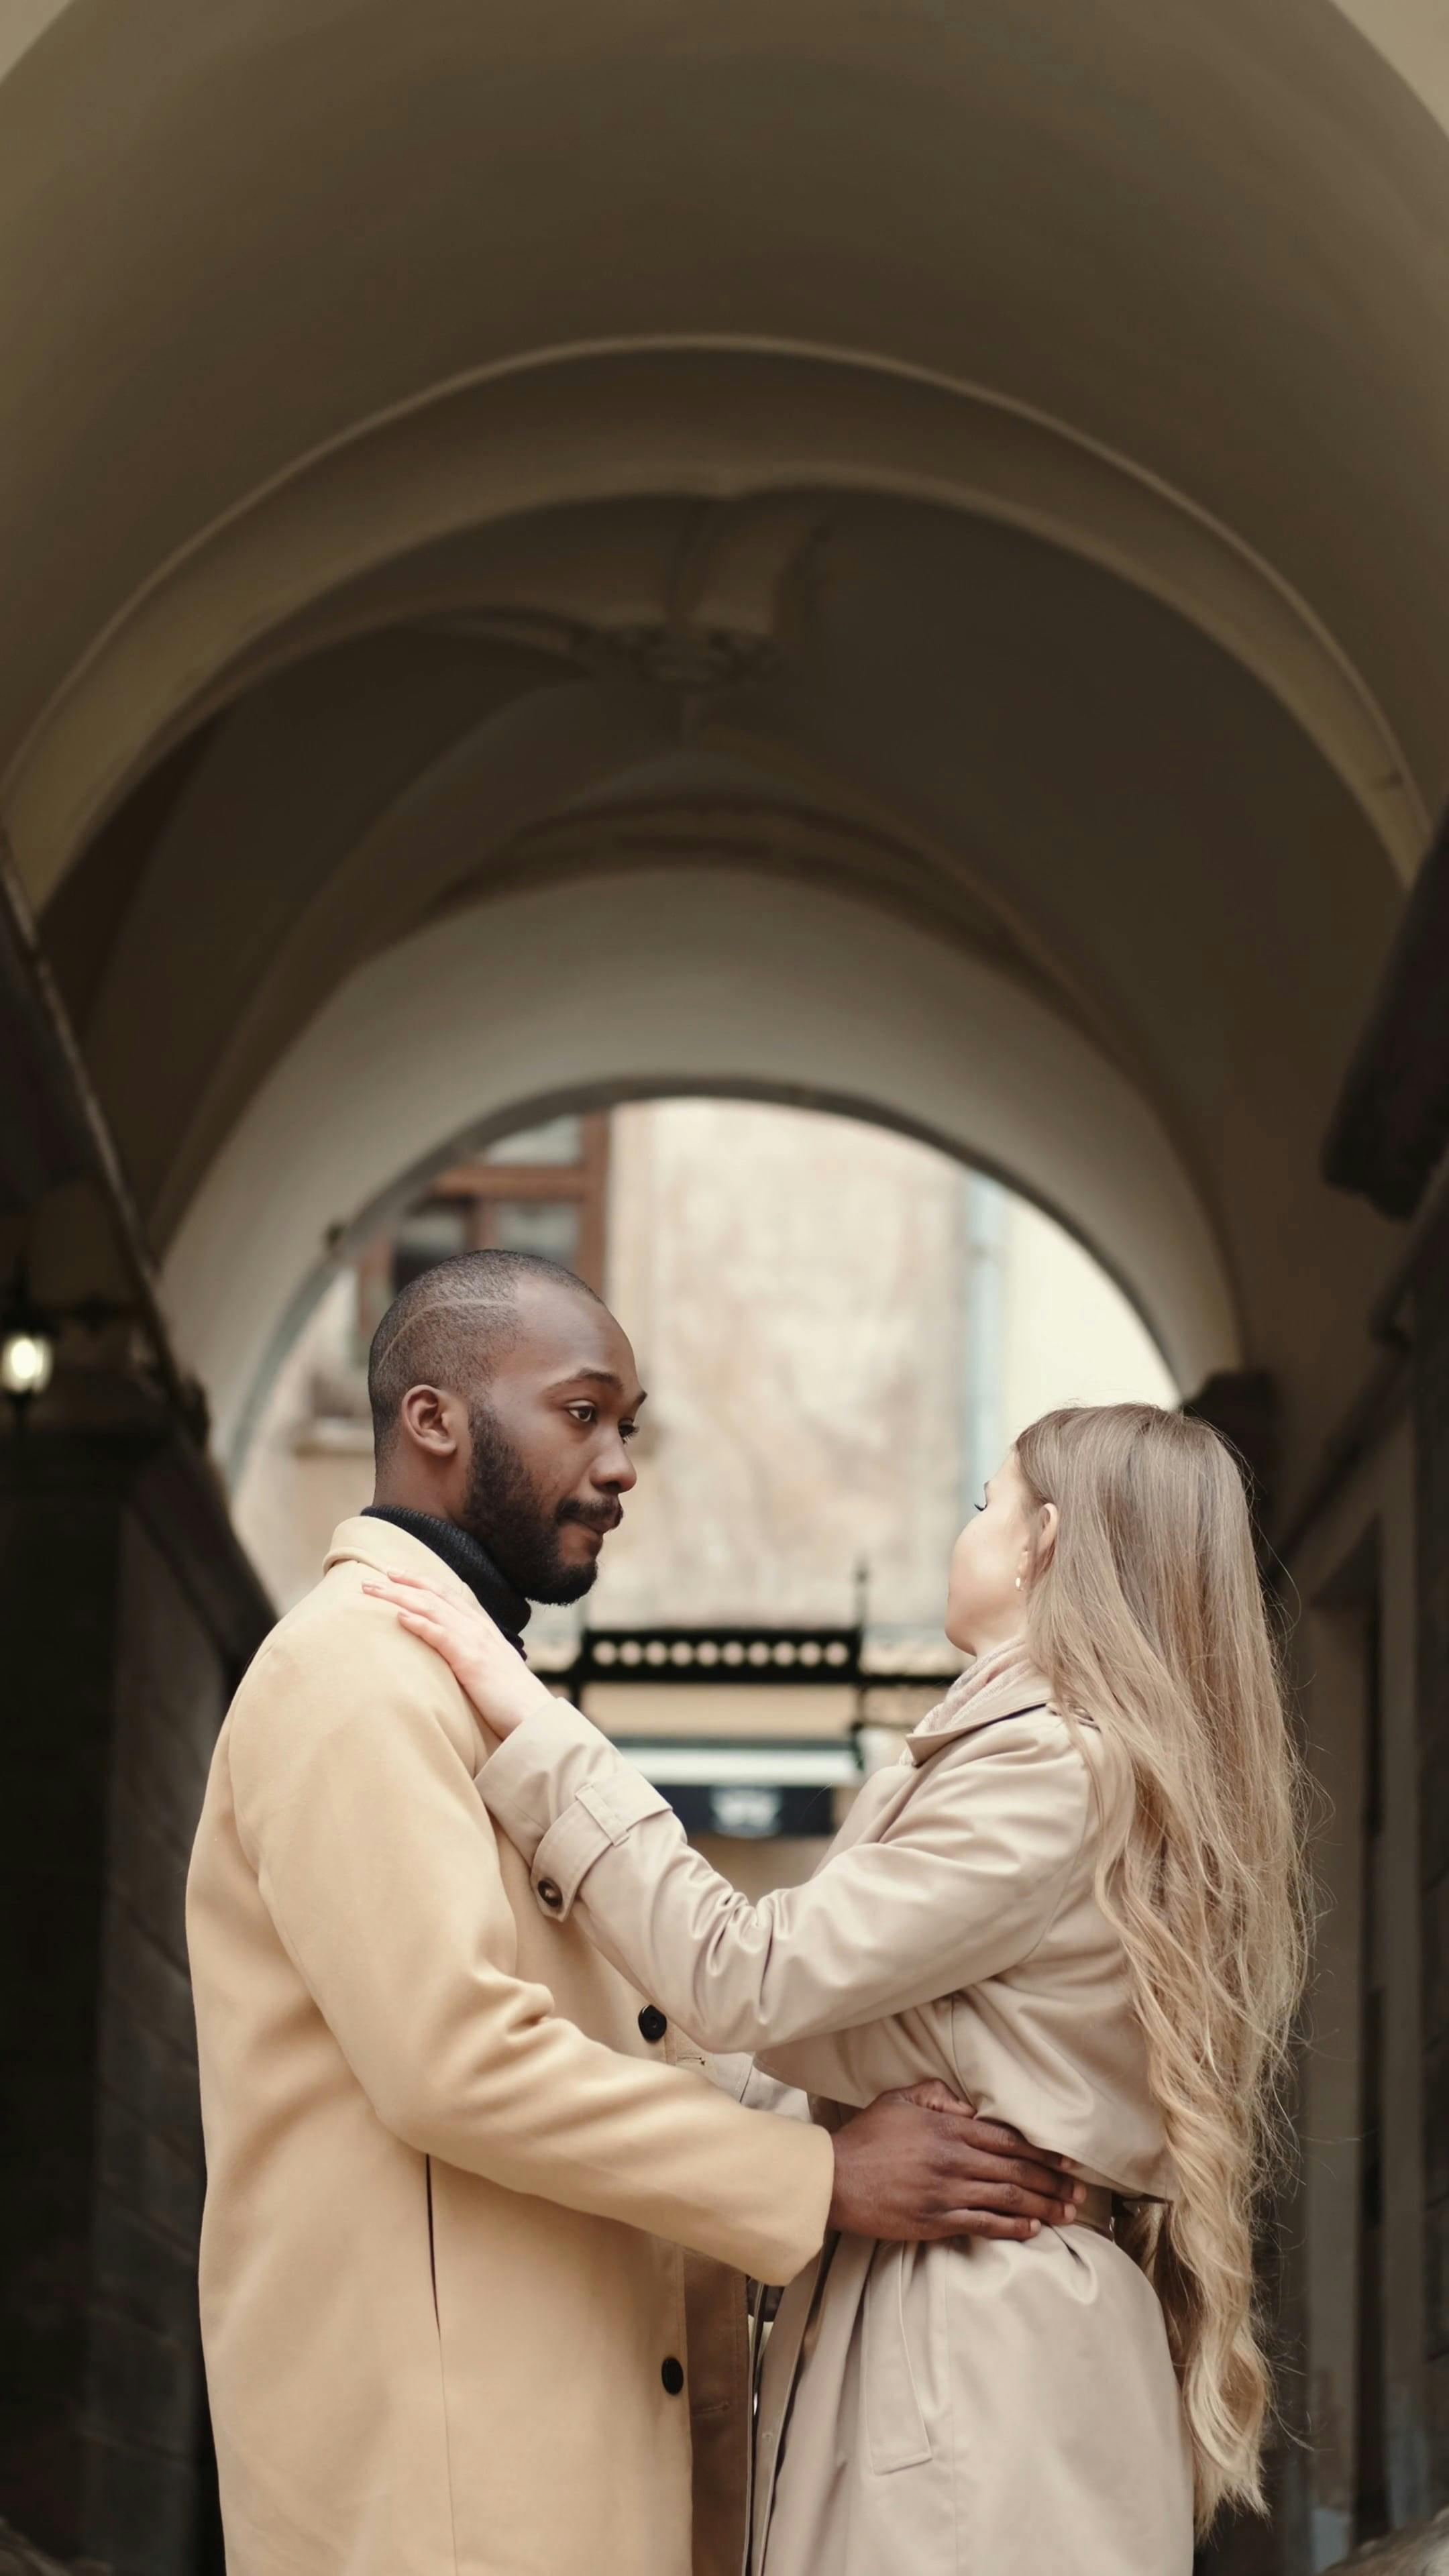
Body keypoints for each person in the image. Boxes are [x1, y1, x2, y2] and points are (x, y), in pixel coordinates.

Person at [186, 1250, 1081, 2576]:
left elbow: (626, 2034)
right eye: (582, 1412)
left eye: (631, 1426)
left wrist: (851, 2119)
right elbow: (456, 2060)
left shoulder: (470, 1689)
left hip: (547, 2465)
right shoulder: (349, 1674)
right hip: (449, 2499)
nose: (619, 1465)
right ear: (433, 1419)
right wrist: (824, 2176)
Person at [368, 1398, 1309, 2576]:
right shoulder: (1065, 1756)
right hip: (964, 2323)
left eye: (986, 1506)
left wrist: (534, 1730)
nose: (963, 1533)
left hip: (969, 2340)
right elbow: (815, 2056)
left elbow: (745, 1977)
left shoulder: (1047, 1761)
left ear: (1044, 1544)